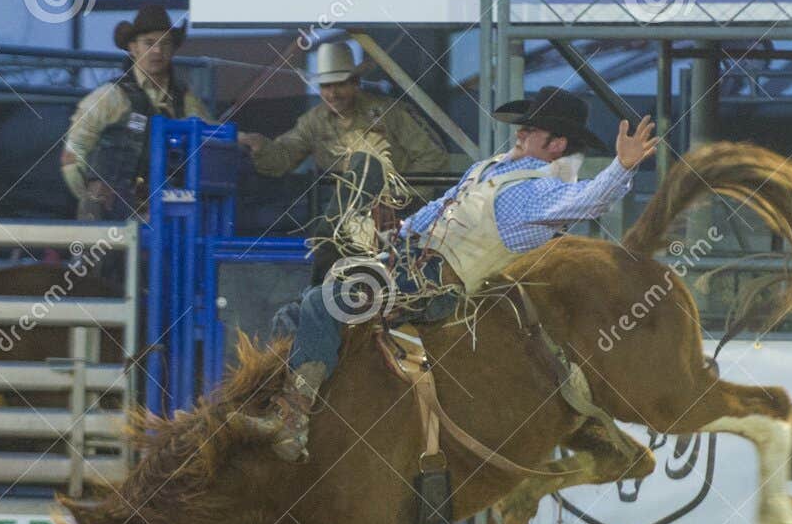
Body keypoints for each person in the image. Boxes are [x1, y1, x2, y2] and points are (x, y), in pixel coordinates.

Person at [247, 87, 660, 462]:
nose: (520, 134)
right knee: (295, 312)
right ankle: (278, 408)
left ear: (556, 144)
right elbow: (438, 209)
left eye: (531, 130)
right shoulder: (490, 169)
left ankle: (294, 423)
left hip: (435, 286)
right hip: (405, 264)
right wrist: (394, 237)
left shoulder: (539, 192)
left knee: (325, 302)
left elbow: (588, 200)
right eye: (524, 126)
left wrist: (621, 168)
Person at [242, 42, 449, 283]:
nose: (332, 93)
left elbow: (433, 155)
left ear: (355, 83)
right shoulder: (314, 121)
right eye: (326, 86)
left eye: (339, 84)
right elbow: (283, 157)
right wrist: (259, 146)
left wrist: (395, 199)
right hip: (349, 223)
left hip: (399, 218)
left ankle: (325, 261)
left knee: (364, 163)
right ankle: (325, 280)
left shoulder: (389, 112)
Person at [61, 5, 212, 219]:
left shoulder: (186, 101)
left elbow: (213, 139)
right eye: (149, 43)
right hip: (111, 209)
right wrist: (90, 199)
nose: (158, 51)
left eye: (165, 44)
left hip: (164, 210)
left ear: (173, 49)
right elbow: (72, 153)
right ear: (133, 48)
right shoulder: (110, 97)